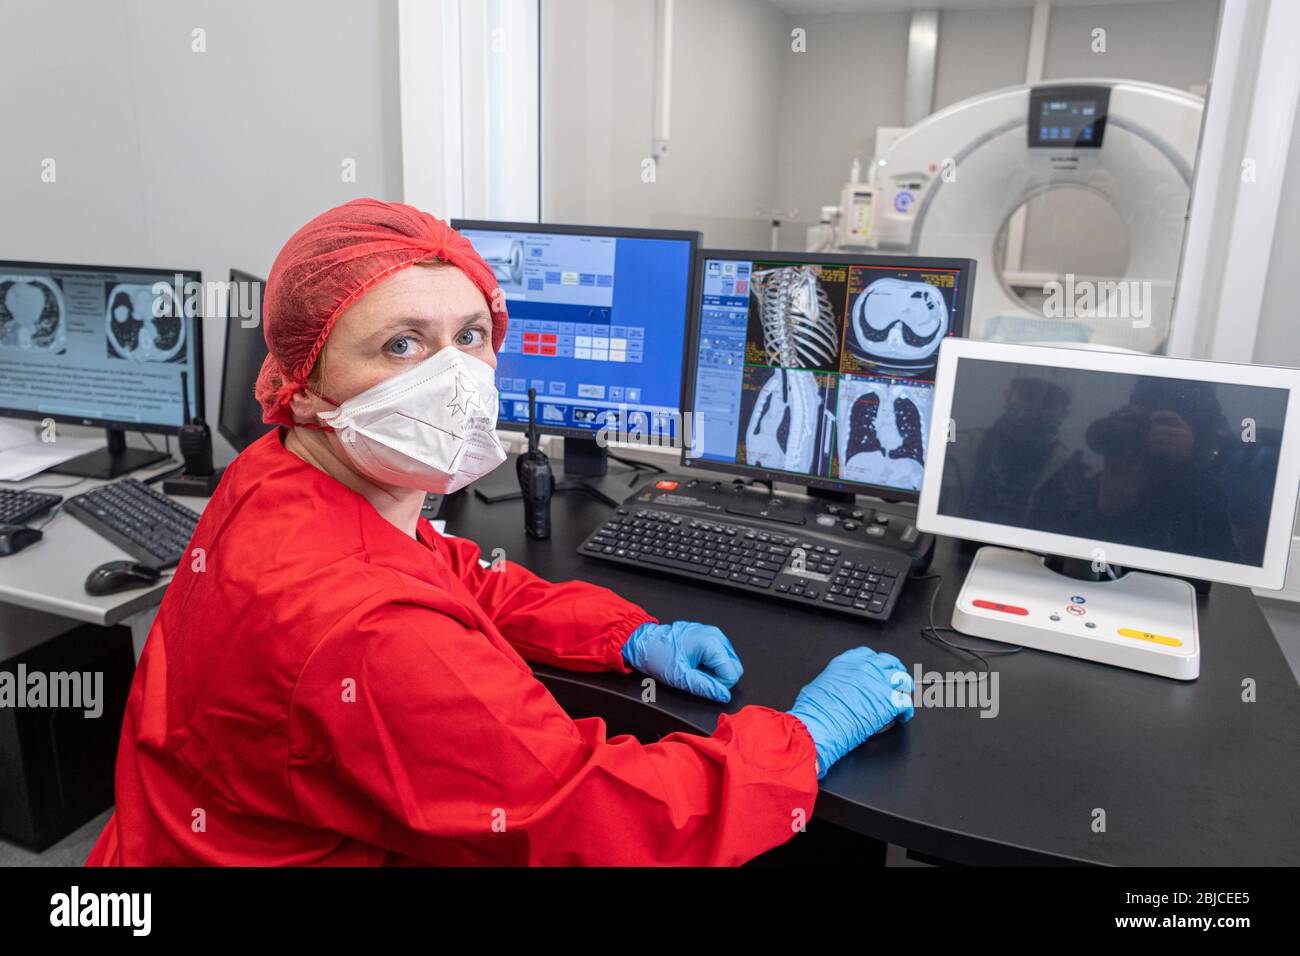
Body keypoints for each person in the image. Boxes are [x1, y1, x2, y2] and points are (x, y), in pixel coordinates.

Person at [86, 199, 913, 866]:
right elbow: (599, 819)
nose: (454, 379)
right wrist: (801, 739)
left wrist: (626, 636)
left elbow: (449, 568)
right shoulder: (372, 636)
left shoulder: (275, 476)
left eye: (470, 336)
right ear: (303, 385)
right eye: (402, 344)